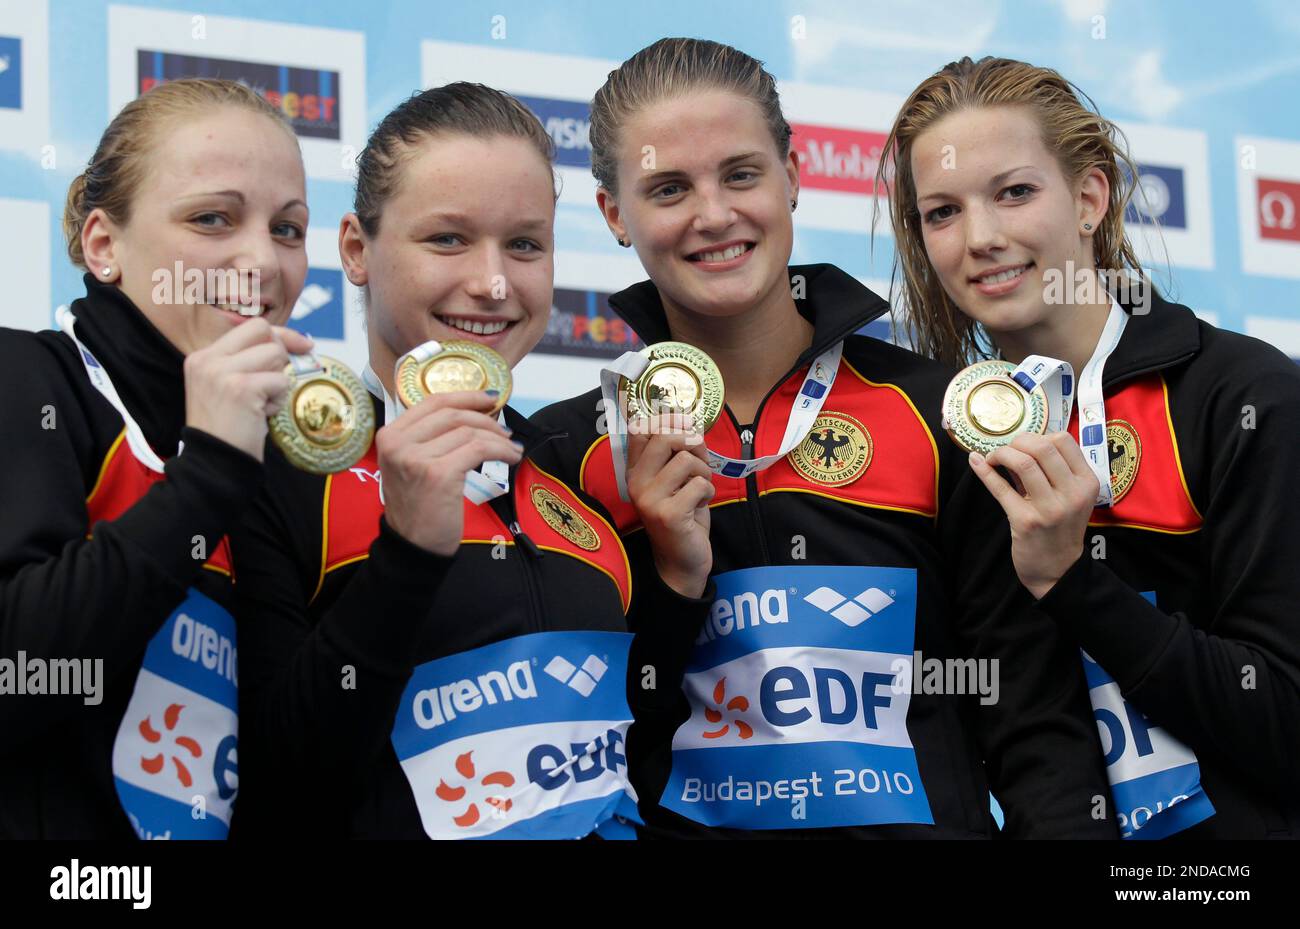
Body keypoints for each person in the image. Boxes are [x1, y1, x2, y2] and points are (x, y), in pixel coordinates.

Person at [530, 38, 1116, 838]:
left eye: (741, 174)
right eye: (669, 188)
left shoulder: (938, 411)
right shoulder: (570, 453)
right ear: (613, 215)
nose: (714, 214)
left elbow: (1034, 722)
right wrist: (669, 585)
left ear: (794, 177)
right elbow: (580, 749)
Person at [232, 82, 707, 840]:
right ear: (357, 249)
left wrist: (677, 586)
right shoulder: (274, 471)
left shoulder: (566, 479)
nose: (492, 283)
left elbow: (631, 748)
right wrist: (408, 553)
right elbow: (275, 787)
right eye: (448, 239)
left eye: (524, 244)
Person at [881, 55, 1300, 838]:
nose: (981, 237)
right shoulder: (942, 443)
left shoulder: (1242, 397)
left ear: (1089, 197)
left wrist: (1073, 581)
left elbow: (1283, 718)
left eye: (1014, 192)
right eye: (941, 212)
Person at [0, 78, 312, 838]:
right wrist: (208, 473)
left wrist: (409, 559)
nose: (261, 262)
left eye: (288, 229)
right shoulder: (27, 380)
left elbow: (296, 767)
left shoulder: (285, 458)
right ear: (104, 245)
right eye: (213, 219)